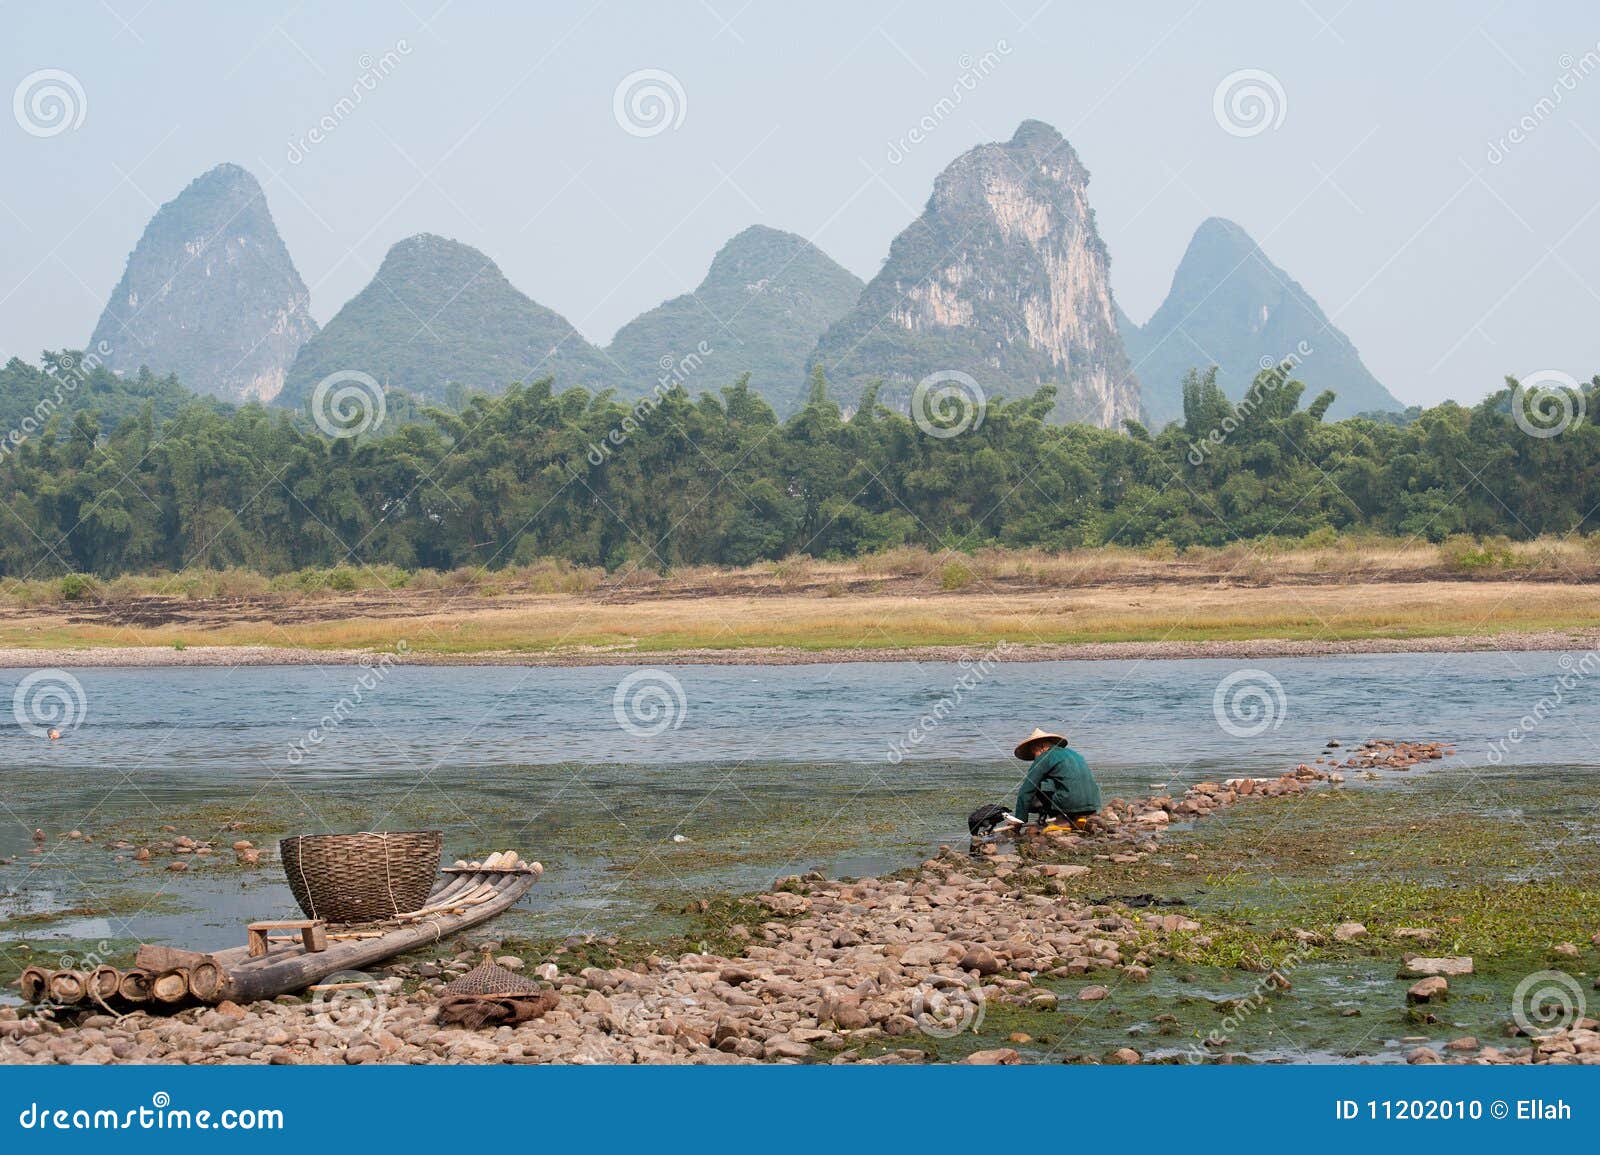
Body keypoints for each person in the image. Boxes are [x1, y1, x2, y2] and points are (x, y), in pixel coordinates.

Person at [1012, 727, 1101, 827]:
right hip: (1093, 805)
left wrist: (1019, 819)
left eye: (1033, 752)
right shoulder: (1074, 753)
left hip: (1070, 804)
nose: (1035, 757)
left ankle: (1061, 819)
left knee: (1038, 786)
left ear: (1041, 747)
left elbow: (1026, 791)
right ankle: (1079, 816)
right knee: (1054, 782)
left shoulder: (1045, 757)